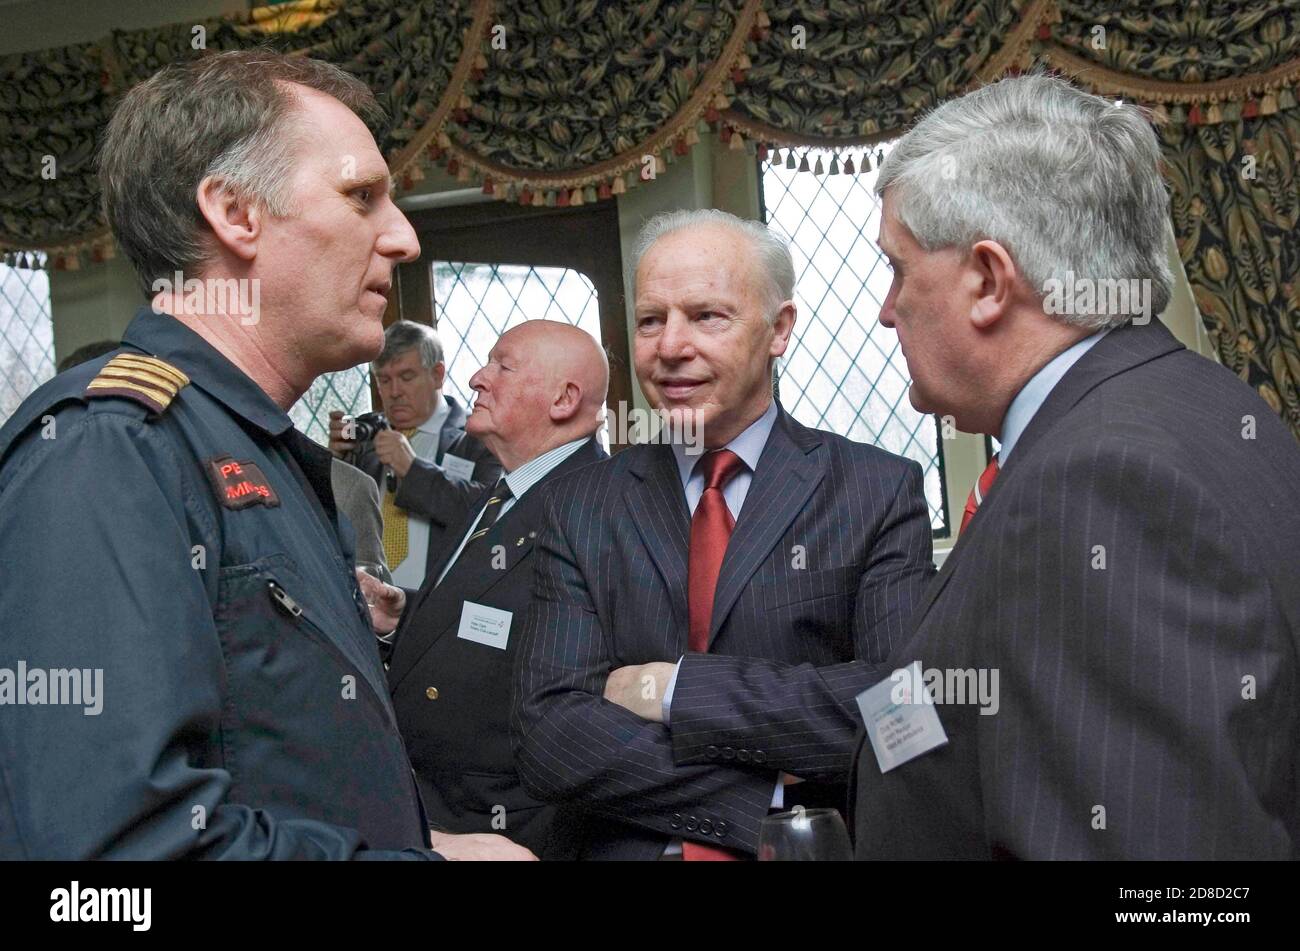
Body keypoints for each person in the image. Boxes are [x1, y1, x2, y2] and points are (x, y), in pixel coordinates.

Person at [0, 49, 531, 860]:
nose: (405, 237)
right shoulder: (111, 448)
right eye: (361, 197)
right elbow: (109, 865)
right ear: (235, 212)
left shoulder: (261, 451)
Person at [850, 72, 1300, 860]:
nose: (887, 310)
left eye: (898, 268)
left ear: (989, 281)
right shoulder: (1197, 396)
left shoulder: (1099, 484)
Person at [510, 209, 936, 860]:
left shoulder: (874, 490)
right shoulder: (579, 503)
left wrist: (675, 690)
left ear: (779, 329)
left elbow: (902, 708)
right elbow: (551, 735)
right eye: (652, 319)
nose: (671, 346)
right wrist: (758, 792)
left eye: (707, 316)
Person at [361, 320, 609, 855]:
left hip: (514, 833)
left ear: (564, 399)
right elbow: (496, 613)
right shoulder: (505, 490)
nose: (476, 378)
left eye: (502, 366)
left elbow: (588, 692)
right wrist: (405, 619)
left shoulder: (600, 508)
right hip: (440, 811)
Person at [329, 321, 501, 588]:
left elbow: (491, 513)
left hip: (440, 601)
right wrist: (336, 463)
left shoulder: (478, 436)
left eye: (406, 377)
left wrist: (413, 470)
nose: (394, 392)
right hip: (367, 597)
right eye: (384, 380)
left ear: (437, 374)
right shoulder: (364, 432)